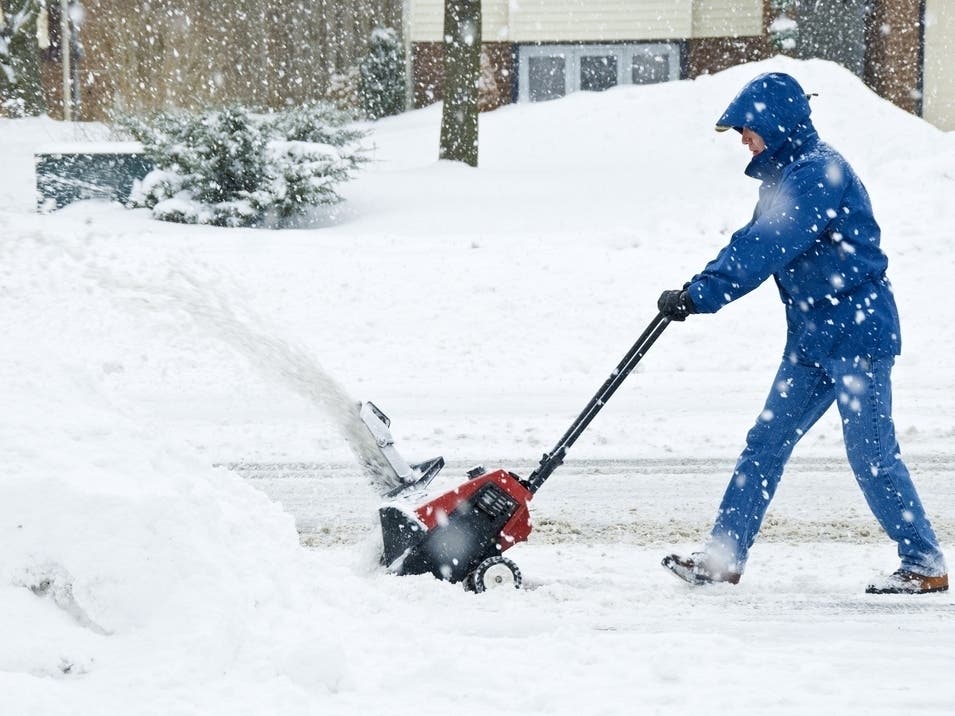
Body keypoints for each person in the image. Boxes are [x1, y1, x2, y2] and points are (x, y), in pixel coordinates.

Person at [658, 72, 947, 595]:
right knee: (765, 444)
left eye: (747, 129)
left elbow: (767, 246)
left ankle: (924, 562)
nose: (743, 140)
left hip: (856, 335)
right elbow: (751, 240)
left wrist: (703, 295)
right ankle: (722, 558)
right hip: (813, 338)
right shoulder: (788, 175)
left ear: (775, 122)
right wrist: (697, 287)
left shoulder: (816, 173)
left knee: (872, 453)